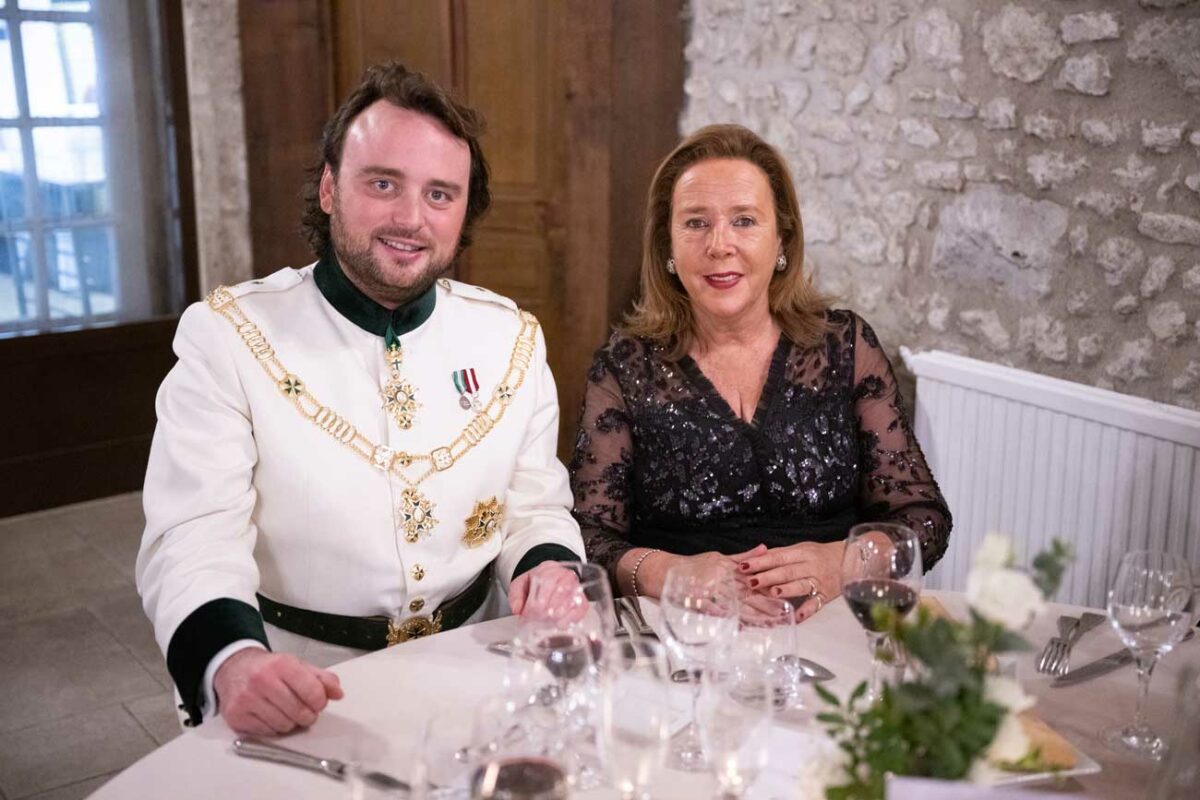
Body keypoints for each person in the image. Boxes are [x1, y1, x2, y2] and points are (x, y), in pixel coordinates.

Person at [137, 62, 583, 735]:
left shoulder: (512, 340)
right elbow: (192, 534)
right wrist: (232, 663)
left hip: (481, 678)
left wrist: (551, 570)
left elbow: (535, 508)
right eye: (383, 184)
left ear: (465, 213)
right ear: (327, 188)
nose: (410, 218)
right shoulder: (227, 336)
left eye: (440, 194)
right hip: (297, 688)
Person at [570, 124, 950, 619]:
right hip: (689, 634)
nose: (720, 245)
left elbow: (923, 518)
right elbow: (584, 537)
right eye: (695, 223)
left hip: (834, 623)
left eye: (744, 221)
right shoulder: (625, 368)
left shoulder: (845, 346)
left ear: (782, 240)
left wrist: (845, 561)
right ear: (667, 246)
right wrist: (669, 573)